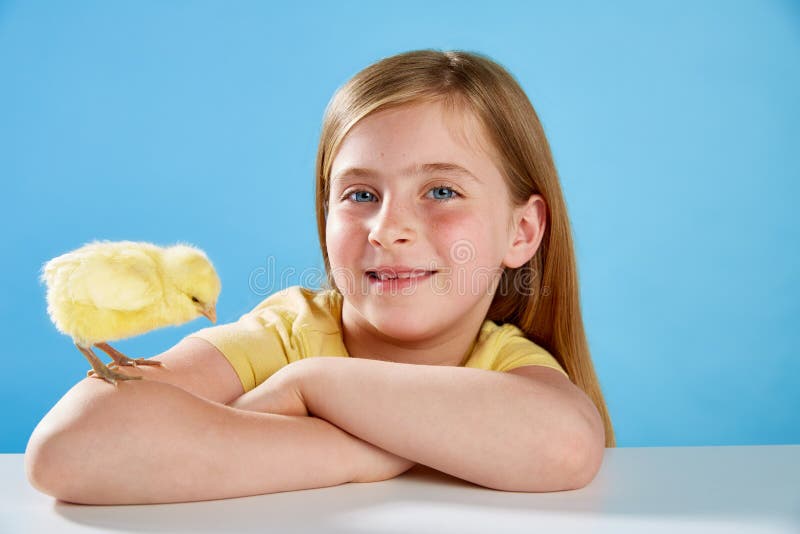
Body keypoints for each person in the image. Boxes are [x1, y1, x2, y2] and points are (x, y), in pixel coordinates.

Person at [25, 49, 614, 505]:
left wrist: (315, 385)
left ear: (522, 231)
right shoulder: (282, 334)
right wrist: (363, 451)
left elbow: (566, 446)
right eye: (361, 193)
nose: (389, 228)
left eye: (441, 191)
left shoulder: (504, 365)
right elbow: (70, 449)